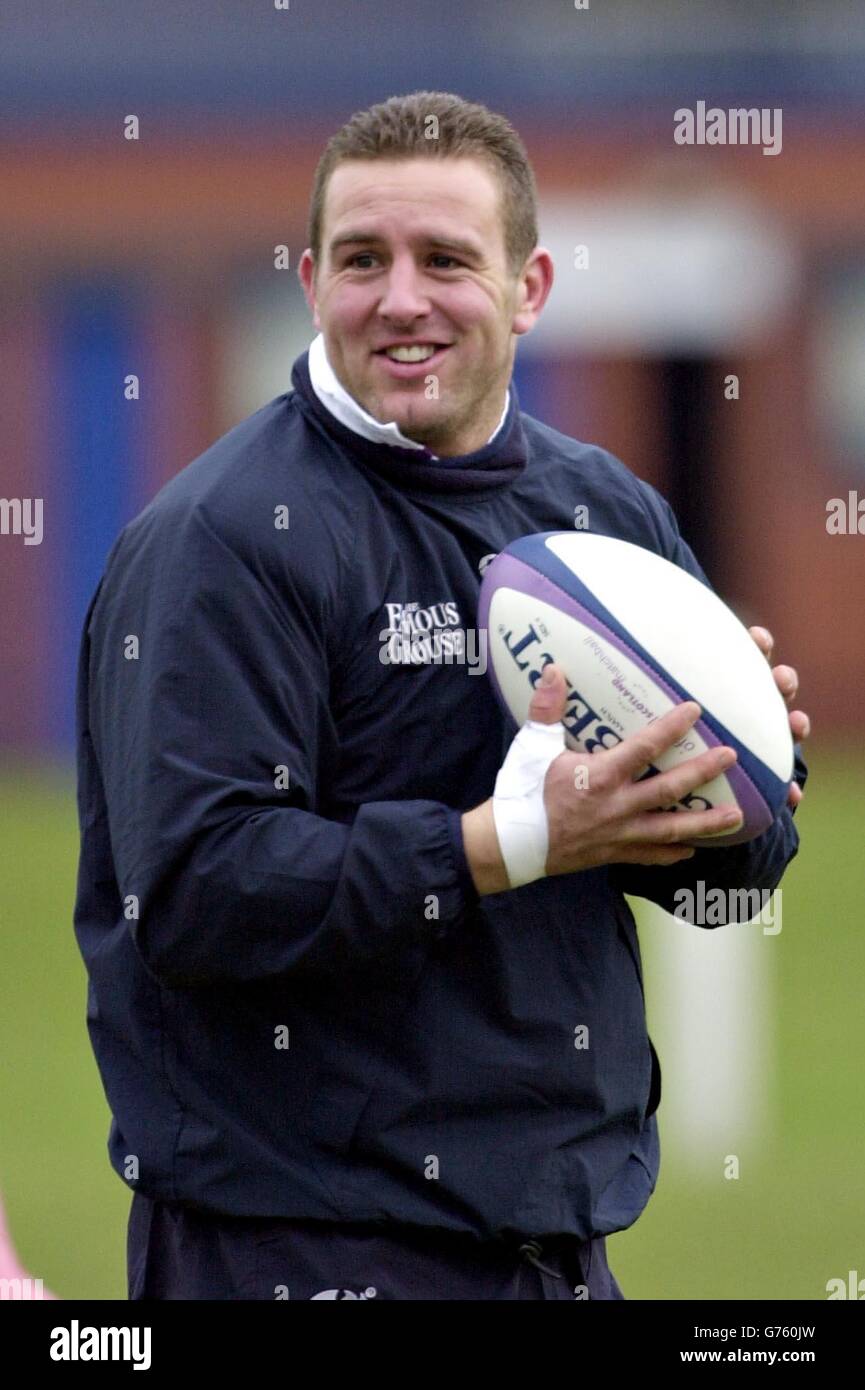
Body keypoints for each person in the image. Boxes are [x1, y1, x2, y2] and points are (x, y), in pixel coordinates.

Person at [73, 91, 809, 1301]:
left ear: (529, 288)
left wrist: (733, 782)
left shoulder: (603, 517)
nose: (401, 298)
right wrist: (501, 841)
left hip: (553, 1240)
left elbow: (733, 878)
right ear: (311, 281)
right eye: (363, 259)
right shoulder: (222, 540)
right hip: (295, 1238)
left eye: (446, 260)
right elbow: (196, 893)